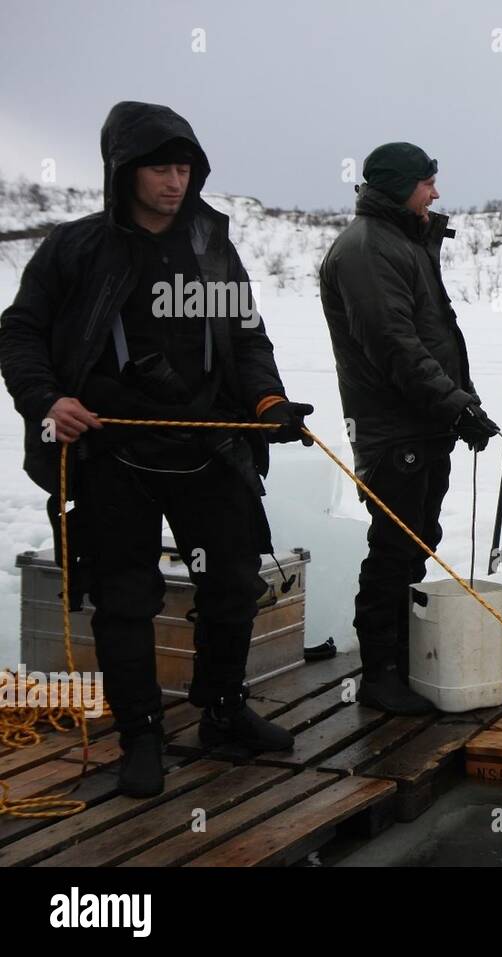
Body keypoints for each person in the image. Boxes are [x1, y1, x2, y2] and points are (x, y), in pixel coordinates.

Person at [0, 101, 312, 796]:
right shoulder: (75, 248)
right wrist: (48, 399)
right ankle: (141, 734)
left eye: (184, 168)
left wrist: (268, 403)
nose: (175, 182)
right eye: (159, 168)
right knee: (124, 597)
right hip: (113, 452)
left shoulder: (212, 247)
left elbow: (247, 338)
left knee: (233, 579)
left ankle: (224, 712)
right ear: (123, 172)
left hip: (208, 444)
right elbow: (18, 331)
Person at [320, 142, 499, 715]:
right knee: (394, 549)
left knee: (416, 543)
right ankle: (380, 674)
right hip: (392, 430)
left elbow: (426, 337)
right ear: (401, 186)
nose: (436, 192)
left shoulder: (404, 241)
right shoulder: (367, 249)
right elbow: (395, 346)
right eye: (427, 183)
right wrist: (456, 406)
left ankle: (400, 658)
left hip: (422, 424)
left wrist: (456, 405)